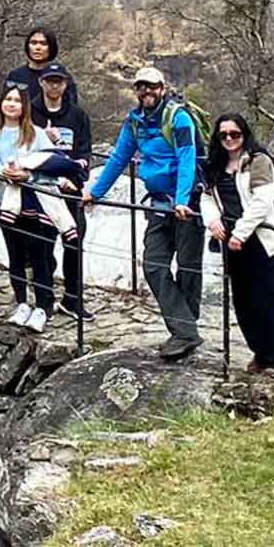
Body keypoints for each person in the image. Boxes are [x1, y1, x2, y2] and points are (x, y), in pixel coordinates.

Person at [88, 64, 203, 360]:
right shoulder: (135, 121)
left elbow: (187, 158)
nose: (147, 91)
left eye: (152, 86)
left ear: (162, 89)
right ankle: (186, 331)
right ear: (136, 90)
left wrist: (182, 200)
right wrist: (95, 193)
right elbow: (118, 158)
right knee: (153, 264)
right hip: (157, 204)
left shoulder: (178, 118)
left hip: (187, 203)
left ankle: (184, 332)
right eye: (141, 86)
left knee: (188, 269)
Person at [0, 85, 74, 331]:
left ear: (25, 106)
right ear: (1, 103)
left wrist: (27, 176)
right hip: (5, 201)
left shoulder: (36, 134)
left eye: (17, 100)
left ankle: (43, 305)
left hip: (35, 203)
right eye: (7, 99)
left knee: (39, 256)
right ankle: (22, 301)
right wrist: (3, 172)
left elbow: (53, 168)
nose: (11, 104)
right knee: (15, 254)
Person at [202, 112, 274, 373]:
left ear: (244, 134)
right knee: (243, 302)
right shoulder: (215, 165)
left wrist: (240, 233)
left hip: (259, 239)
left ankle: (272, 361)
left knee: (267, 301)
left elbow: (263, 201)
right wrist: (212, 220)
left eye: (234, 134)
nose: (229, 139)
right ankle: (259, 353)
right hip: (231, 242)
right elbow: (206, 197)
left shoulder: (258, 162)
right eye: (224, 134)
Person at [31, 60, 93, 317]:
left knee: (74, 241)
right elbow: (22, 147)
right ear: (41, 82)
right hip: (40, 188)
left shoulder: (78, 116)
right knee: (41, 246)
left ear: (65, 84)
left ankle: (73, 298)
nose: (54, 86)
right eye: (49, 81)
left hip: (70, 188)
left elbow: (84, 152)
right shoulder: (30, 112)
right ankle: (43, 299)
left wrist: (76, 179)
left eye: (59, 81)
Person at [4, 25, 76, 109]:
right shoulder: (16, 76)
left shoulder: (61, 77)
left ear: (51, 47)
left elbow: (72, 108)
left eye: (43, 44)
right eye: (33, 43)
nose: (38, 48)